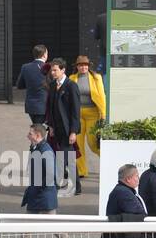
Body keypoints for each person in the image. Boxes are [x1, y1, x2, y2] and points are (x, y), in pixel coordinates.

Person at [66, 55, 106, 183]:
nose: (83, 67)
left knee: (93, 143)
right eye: (81, 65)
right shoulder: (71, 79)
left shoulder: (96, 78)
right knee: (78, 144)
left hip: (93, 114)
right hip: (77, 115)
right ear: (77, 67)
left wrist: (103, 115)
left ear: (88, 66)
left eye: (85, 65)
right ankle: (82, 170)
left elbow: (101, 96)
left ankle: (108, 163)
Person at [44, 59, 81, 196]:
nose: (53, 73)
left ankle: (74, 186)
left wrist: (73, 132)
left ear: (63, 70)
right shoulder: (53, 85)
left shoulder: (71, 86)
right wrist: (51, 126)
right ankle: (73, 185)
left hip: (67, 129)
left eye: (55, 70)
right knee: (60, 157)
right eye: (52, 70)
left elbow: (75, 111)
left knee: (66, 157)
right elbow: (52, 107)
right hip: (56, 128)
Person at [21, 124, 58, 215]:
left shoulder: (45, 151)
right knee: (29, 227)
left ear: (37, 136)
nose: (27, 136)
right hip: (38, 198)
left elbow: (51, 175)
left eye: (30, 134)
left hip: (43, 200)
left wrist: (39, 189)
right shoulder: (38, 148)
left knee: (48, 228)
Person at [15, 44, 50, 124]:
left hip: (31, 105)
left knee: (37, 128)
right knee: (39, 131)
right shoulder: (49, 68)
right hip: (44, 105)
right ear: (44, 55)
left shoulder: (25, 67)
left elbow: (19, 85)